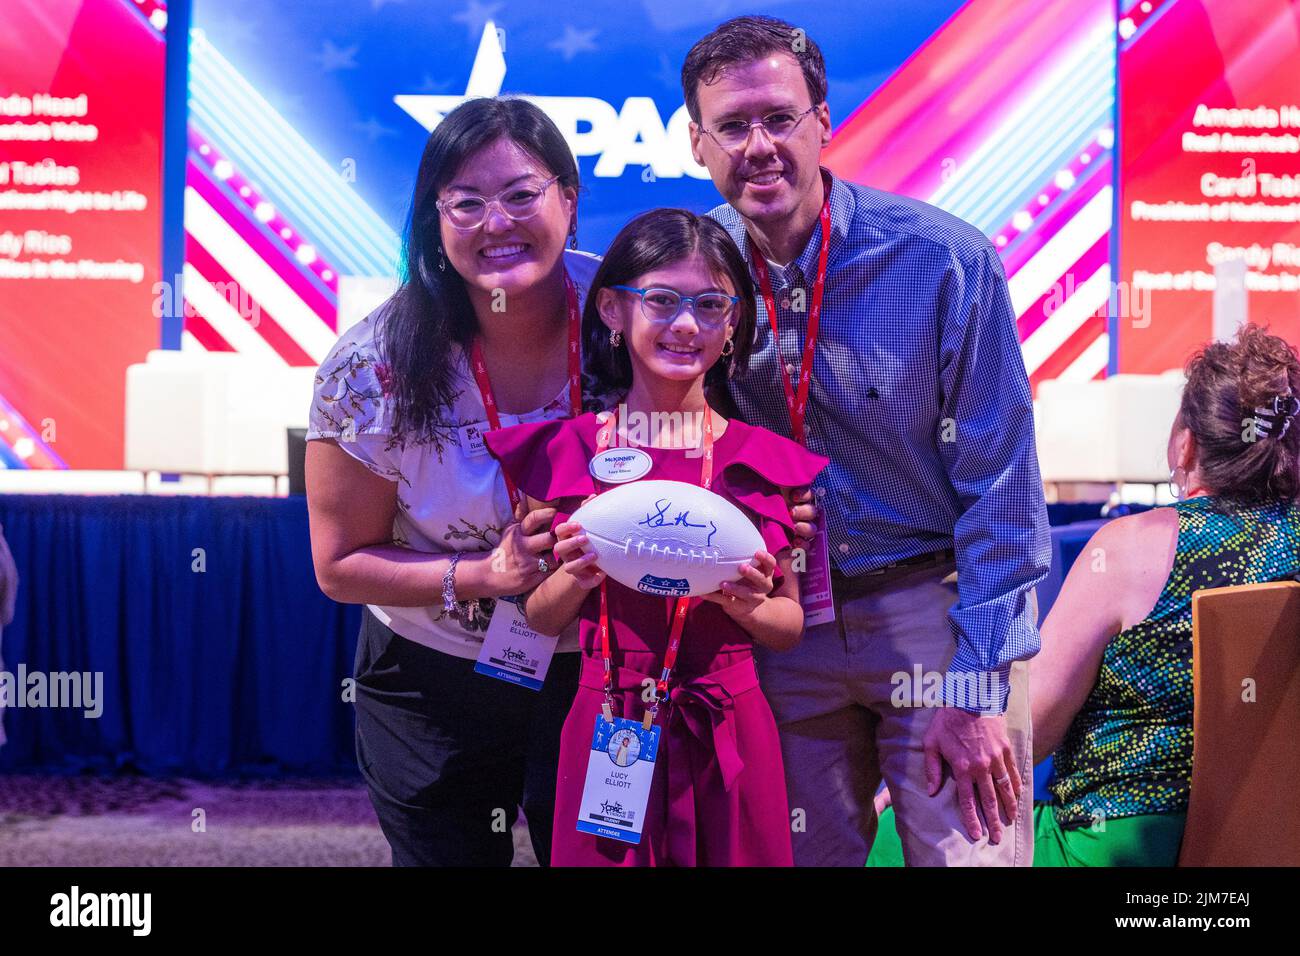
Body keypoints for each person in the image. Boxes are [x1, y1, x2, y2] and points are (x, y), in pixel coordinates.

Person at [682, 15, 1051, 866]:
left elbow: (1004, 487)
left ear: (824, 122)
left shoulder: (942, 261)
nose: (760, 145)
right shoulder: (693, 277)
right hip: (780, 626)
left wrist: (977, 683)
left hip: (935, 615)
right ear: (698, 143)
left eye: (780, 117)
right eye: (732, 126)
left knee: (973, 860)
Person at [305, 97, 615, 866]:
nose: (496, 222)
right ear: (434, 225)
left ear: (568, 201)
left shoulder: (632, 319)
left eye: (520, 195)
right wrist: (484, 573)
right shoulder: (370, 365)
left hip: (606, 673)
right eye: (465, 203)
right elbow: (339, 564)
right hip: (432, 675)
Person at [869, 324, 1300, 866]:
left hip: (1121, 847)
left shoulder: (1133, 549)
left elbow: (1032, 732)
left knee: (903, 829)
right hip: (1274, 843)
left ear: (1185, 443)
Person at [485, 208, 827, 865]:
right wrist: (575, 575)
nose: (686, 324)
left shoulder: (765, 462)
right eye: (662, 300)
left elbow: (788, 625)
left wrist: (748, 607)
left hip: (728, 726)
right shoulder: (563, 453)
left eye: (710, 304)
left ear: (733, 325)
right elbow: (534, 618)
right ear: (613, 311)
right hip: (606, 717)